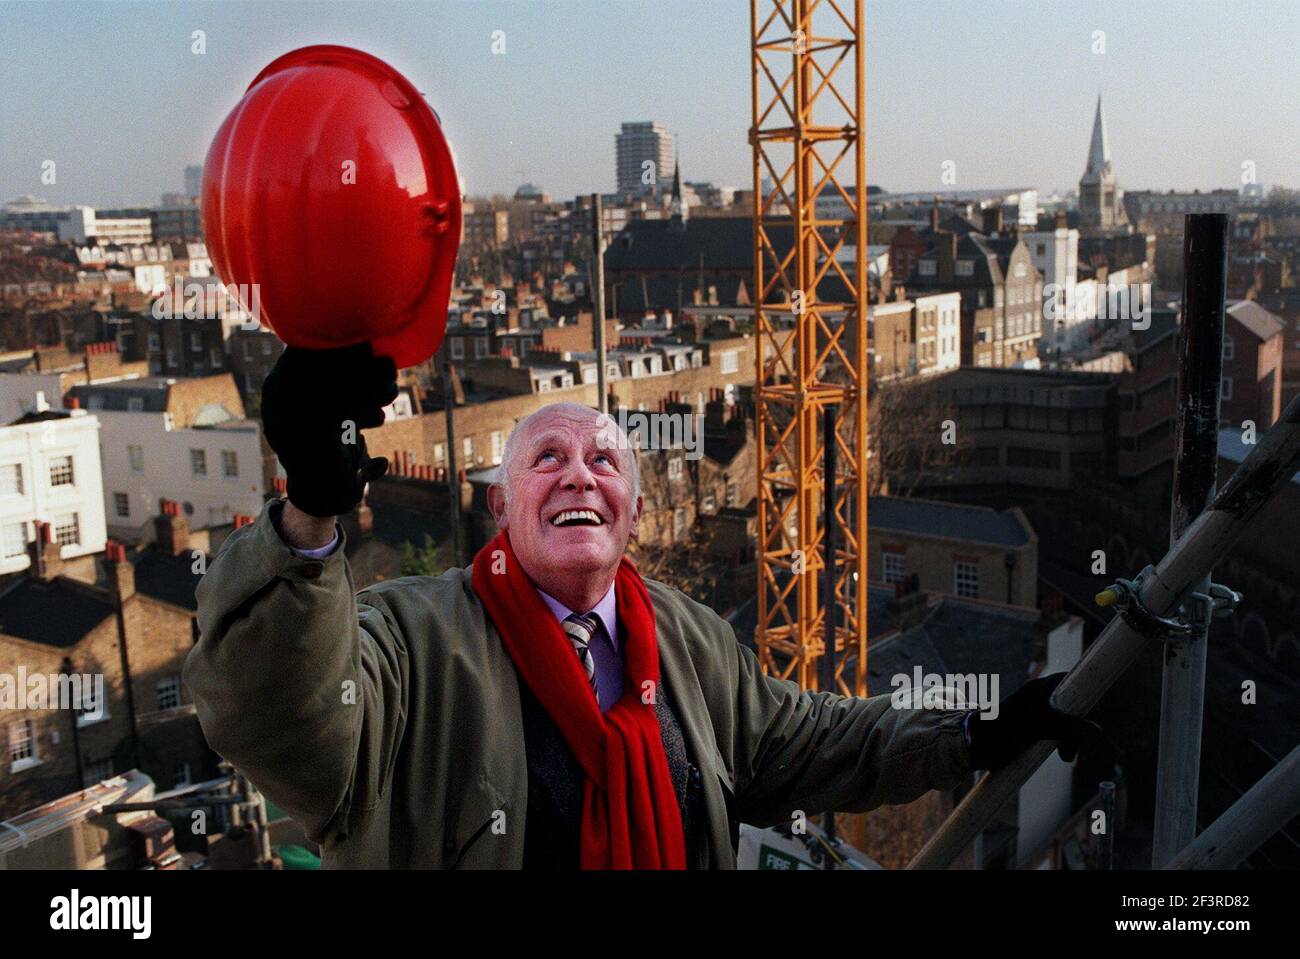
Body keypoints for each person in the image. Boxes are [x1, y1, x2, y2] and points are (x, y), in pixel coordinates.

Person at [185, 344, 1095, 869]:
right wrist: (306, 516)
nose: (579, 470)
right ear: (499, 509)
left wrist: (968, 737)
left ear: (633, 510)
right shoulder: (411, 640)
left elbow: (809, 738)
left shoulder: (688, 640)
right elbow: (279, 714)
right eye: (545, 458)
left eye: (605, 460)